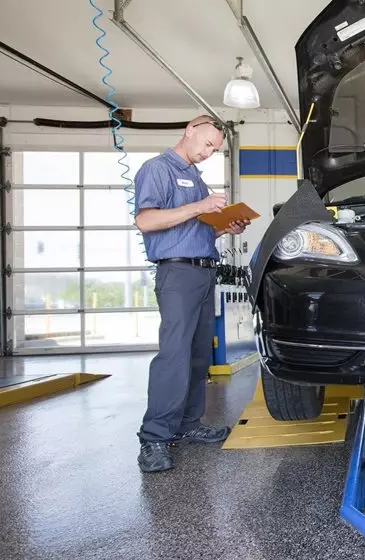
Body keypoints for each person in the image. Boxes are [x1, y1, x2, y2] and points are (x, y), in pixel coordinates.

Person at [134, 115, 251, 473]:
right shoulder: (157, 169)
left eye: (215, 149)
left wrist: (223, 228)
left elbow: (194, 232)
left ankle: (187, 425)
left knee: (199, 355)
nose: (209, 152)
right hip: (176, 273)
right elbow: (147, 221)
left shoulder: (196, 179)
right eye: (207, 144)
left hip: (203, 270)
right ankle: (154, 438)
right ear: (190, 130)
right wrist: (200, 207)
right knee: (174, 355)